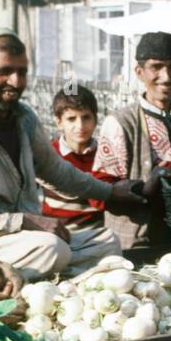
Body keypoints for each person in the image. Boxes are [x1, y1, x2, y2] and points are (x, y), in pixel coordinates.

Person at [0, 26, 144, 281]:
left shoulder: (22, 118)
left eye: (21, 72)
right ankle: (49, 280)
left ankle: (55, 280)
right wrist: (24, 221)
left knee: (107, 242)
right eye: (4, 72)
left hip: (21, 244)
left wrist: (110, 192)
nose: (16, 82)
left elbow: (57, 171)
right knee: (52, 250)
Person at [95, 32, 171, 253]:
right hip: (139, 241)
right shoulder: (121, 123)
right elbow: (101, 190)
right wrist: (145, 187)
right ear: (139, 72)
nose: (166, 76)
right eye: (156, 67)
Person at [37, 85, 122, 269]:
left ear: (95, 119)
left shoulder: (105, 155)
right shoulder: (47, 154)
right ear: (58, 121)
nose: (80, 126)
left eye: (86, 117)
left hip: (91, 237)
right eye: (71, 119)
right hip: (54, 235)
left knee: (112, 246)